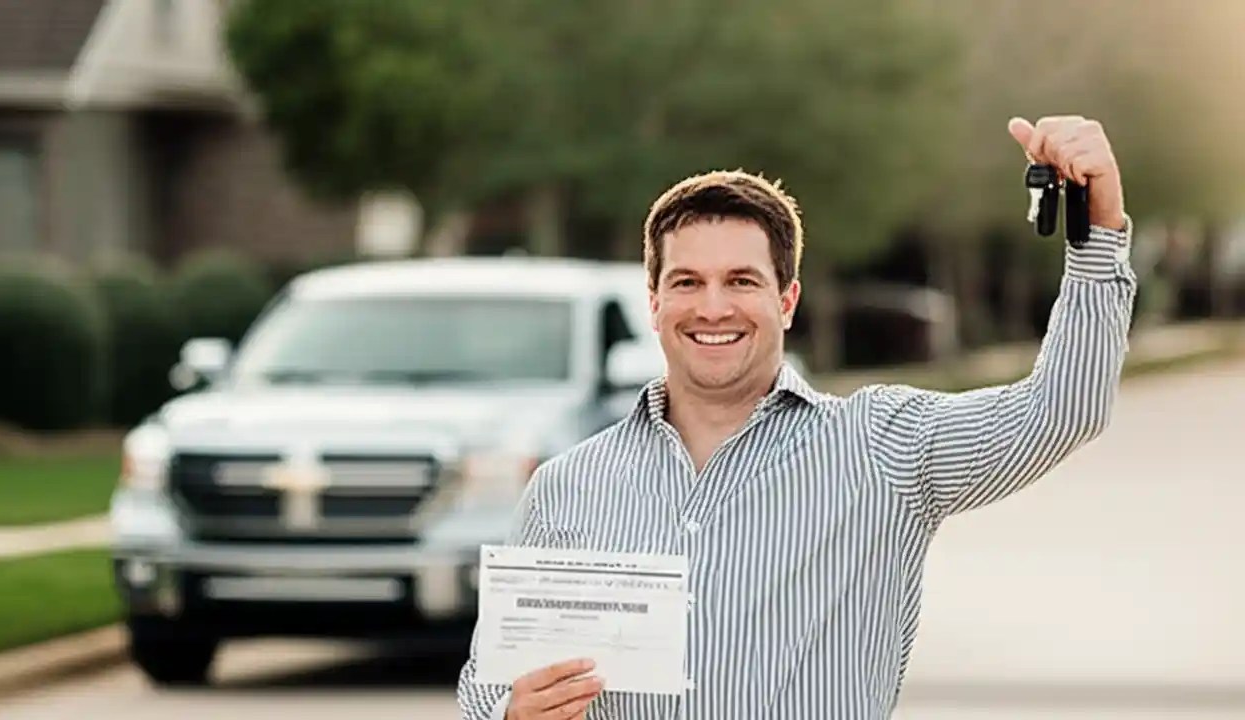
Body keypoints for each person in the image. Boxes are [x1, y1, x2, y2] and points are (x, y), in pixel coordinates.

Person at [456, 115, 1135, 719]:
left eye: (742, 282)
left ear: (787, 301)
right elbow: (487, 688)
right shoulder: (567, 485)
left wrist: (1098, 233)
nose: (713, 307)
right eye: (687, 282)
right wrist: (512, 714)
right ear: (654, 303)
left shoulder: (880, 448)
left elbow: (1060, 410)